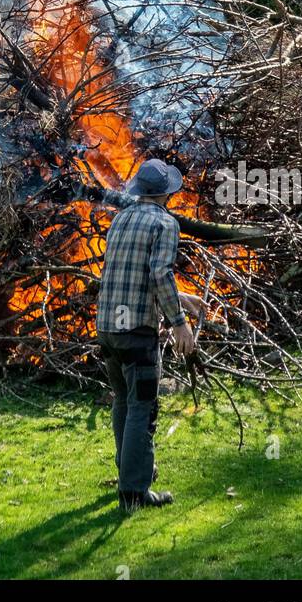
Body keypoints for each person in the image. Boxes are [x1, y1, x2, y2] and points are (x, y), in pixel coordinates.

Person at [95, 157, 205, 513]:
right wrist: (179, 323)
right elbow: (159, 272)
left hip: (108, 329)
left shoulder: (121, 218)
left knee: (123, 401)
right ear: (167, 194)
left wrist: (181, 298)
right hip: (138, 331)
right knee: (144, 406)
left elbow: (133, 272)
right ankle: (133, 494)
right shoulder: (164, 223)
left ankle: (129, 469)